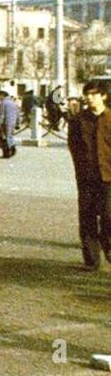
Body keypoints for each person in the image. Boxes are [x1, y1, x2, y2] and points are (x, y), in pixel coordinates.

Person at [66, 80, 110, 270]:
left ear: (104, 96)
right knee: (87, 217)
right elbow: (74, 147)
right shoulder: (78, 120)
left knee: (109, 215)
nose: (89, 98)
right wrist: (80, 169)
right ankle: (91, 260)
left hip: (109, 177)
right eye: (87, 94)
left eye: (93, 94)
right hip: (87, 177)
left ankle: (108, 246)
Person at [0, 88, 20, 159]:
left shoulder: (3, 103)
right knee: (10, 136)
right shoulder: (14, 103)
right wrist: (17, 123)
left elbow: (1, 114)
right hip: (13, 122)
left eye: (0, 95)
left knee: (4, 138)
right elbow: (18, 114)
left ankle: (7, 153)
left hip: (5, 123)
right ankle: (13, 148)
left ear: (3, 95)